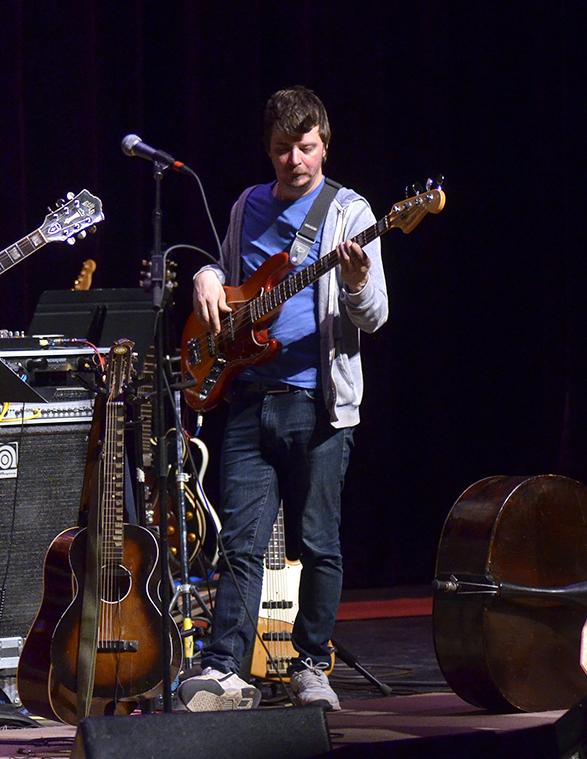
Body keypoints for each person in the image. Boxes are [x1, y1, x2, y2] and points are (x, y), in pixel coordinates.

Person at [178, 86, 388, 712]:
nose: (295, 160)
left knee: (318, 542)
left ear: (324, 143)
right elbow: (231, 279)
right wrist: (207, 275)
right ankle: (223, 669)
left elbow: (374, 317)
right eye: (282, 150)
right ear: (267, 151)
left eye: (306, 147)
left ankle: (310, 666)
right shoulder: (247, 204)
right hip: (247, 396)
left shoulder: (351, 213)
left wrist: (353, 285)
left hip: (319, 404)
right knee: (240, 542)